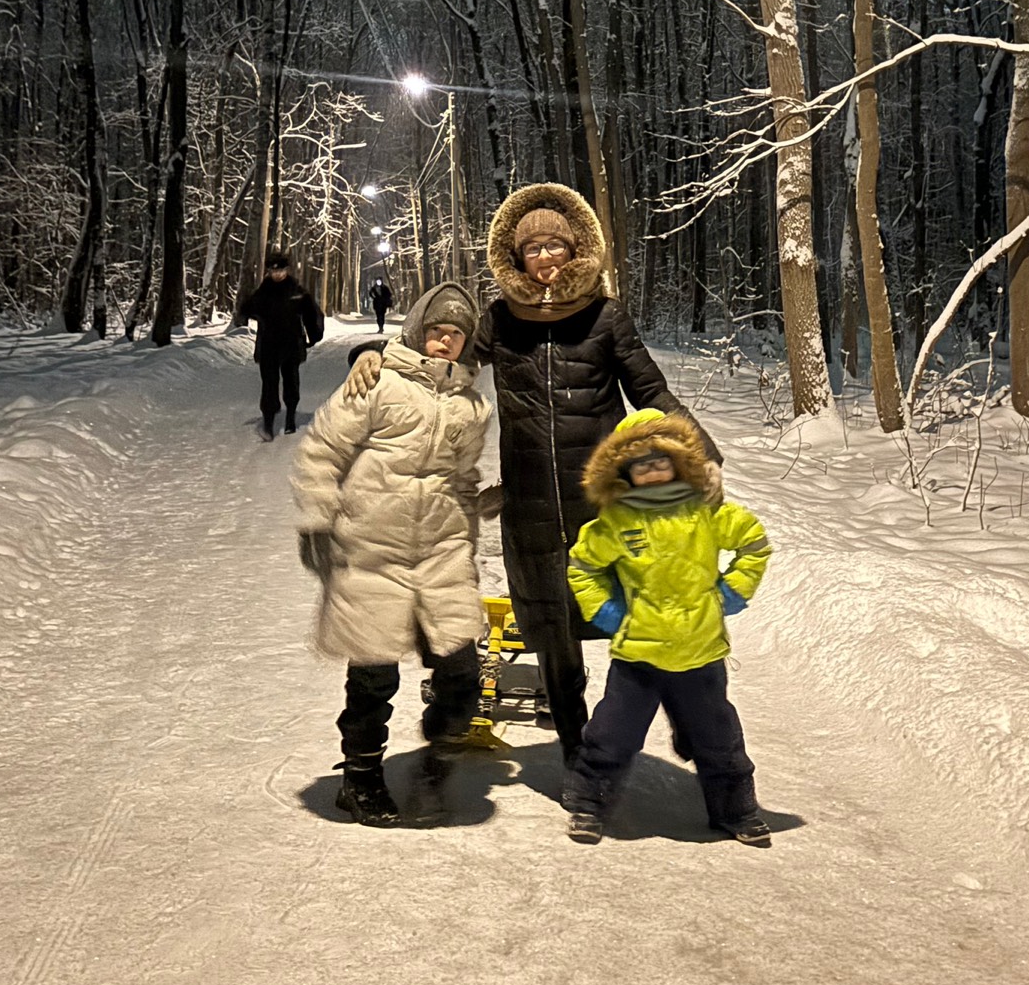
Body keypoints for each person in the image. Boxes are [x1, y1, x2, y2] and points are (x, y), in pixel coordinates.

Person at [346, 183, 719, 763]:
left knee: (648, 616)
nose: (544, 257)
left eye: (555, 246)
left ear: (576, 251)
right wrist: (374, 355)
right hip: (532, 508)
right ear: (515, 257)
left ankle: (689, 717)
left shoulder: (605, 317)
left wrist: (702, 453)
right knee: (553, 635)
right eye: (532, 248)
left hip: (606, 502)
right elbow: (437, 362)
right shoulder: (500, 321)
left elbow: (651, 390)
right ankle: (577, 749)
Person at [292, 282, 489, 826]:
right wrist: (317, 518)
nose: (444, 342)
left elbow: (465, 478)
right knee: (374, 675)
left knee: (462, 671)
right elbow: (322, 448)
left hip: (441, 553)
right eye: (435, 331)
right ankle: (359, 779)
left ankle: (437, 761)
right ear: (418, 332)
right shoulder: (377, 382)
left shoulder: (474, 407)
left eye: (455, 334)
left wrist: (470, 535)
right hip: (372, 545)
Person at [563, 408, 772, 847]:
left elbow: (754, 543)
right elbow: (583, 566)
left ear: (679, 464)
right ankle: (588, 804)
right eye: (642, 465)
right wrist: (607, 612)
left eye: (661, 462)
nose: (653, 472)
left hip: (701, 654)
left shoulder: (706, 513)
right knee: (612, 735)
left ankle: (736, 810)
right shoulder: (617, 522)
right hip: (637, 655)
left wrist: (730, 593)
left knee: (719, 739)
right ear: (624, 472)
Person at [240, 250, 324, 439]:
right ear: (269, 271)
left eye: (281, 270)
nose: (277, 274)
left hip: (291, 344)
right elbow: (247, 308)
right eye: (273, 271)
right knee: (269, 384)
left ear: (287, 270)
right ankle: (268, 422)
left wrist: (314, 334)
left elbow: (312, 313)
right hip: (269, 345)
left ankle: (290, 419)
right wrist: (249, 312)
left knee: (291, 382)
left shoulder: (297, 291)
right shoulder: (263, 292)